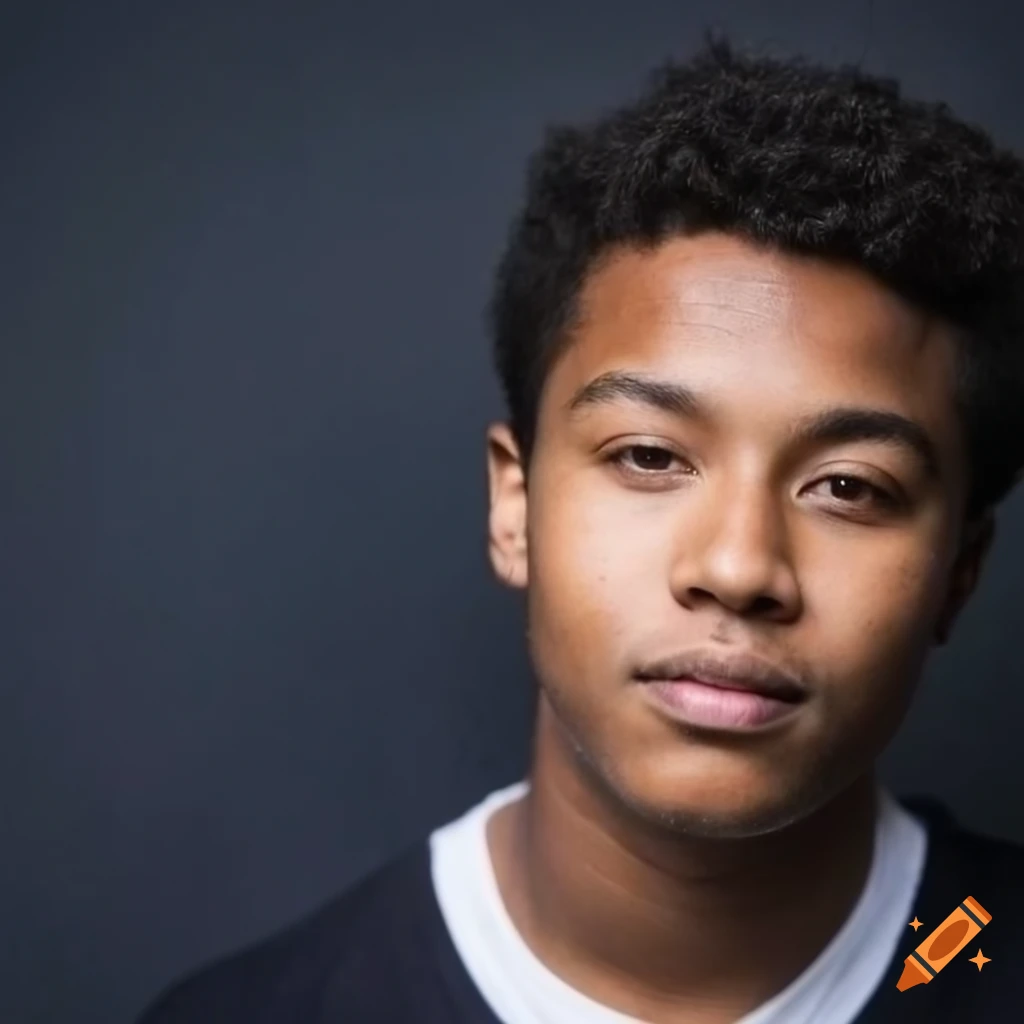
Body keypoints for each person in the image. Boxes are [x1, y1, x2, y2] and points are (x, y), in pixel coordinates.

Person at [136, 38, 1024, 1024]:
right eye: (648, 456)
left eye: (848, 486)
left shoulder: (985, 951)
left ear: (959, 572)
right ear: (514, 507)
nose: (737, 567)